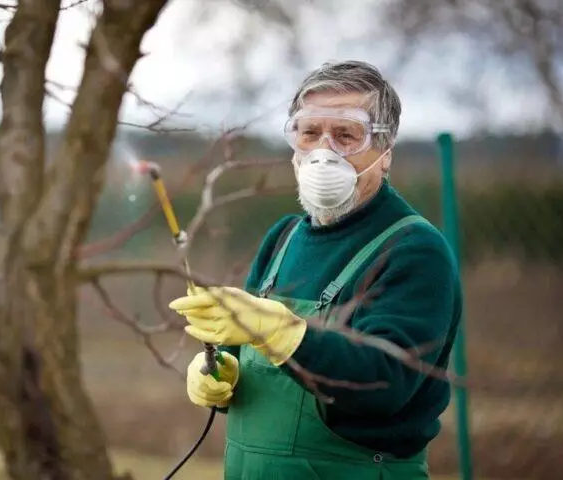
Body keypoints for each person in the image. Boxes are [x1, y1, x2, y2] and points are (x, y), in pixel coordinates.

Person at [169, 60, 462, 479]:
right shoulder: (283, 238)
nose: (323, 152)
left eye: (346, 135)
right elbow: (239, 353)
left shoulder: (414, 250)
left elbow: (385, 383)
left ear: (384, 153)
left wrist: (283, 334)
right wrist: (219, 373)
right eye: (309, 133)